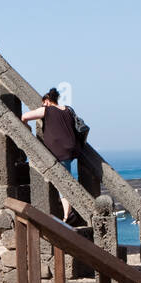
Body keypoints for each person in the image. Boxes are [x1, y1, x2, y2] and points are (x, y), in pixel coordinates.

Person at [21, 88, 81, 222]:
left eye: (43, 103)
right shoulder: (67, 109)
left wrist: (26, 127)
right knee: (65, 178)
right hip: (70, 149)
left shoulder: (47, 110)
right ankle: (69, 211)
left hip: (58, 150)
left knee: (62, 184)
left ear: (47, 101)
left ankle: (68, 214)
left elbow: (25, 116)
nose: (42, 106)